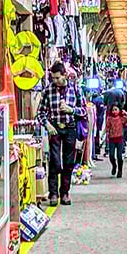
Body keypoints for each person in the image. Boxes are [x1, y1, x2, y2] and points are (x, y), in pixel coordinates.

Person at [36, 61, 87, 207]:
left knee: (69, 162)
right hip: (55, 128)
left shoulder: (76, 89)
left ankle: (64, 192)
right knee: (55, 162)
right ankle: (53, 193)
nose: (55, 81)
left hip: (70, 128)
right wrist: (47, 125)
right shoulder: (48, 90)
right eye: (53, 78)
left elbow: (83, 110)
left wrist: (71, 110)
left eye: (58, 78)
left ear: (65, 75)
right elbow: (40, 113)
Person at [105, 105, 127, 179]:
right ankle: (114, 165)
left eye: (116, 109)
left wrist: (125, 113)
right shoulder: (109, 118)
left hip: (120, 139)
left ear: (119, 110)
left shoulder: (121, 118)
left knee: (119, 156)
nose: (114, 111)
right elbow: (107, 128)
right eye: (113, 110)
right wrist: (106, 135)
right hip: (111, 139)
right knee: (111, 156)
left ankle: (120, 170)